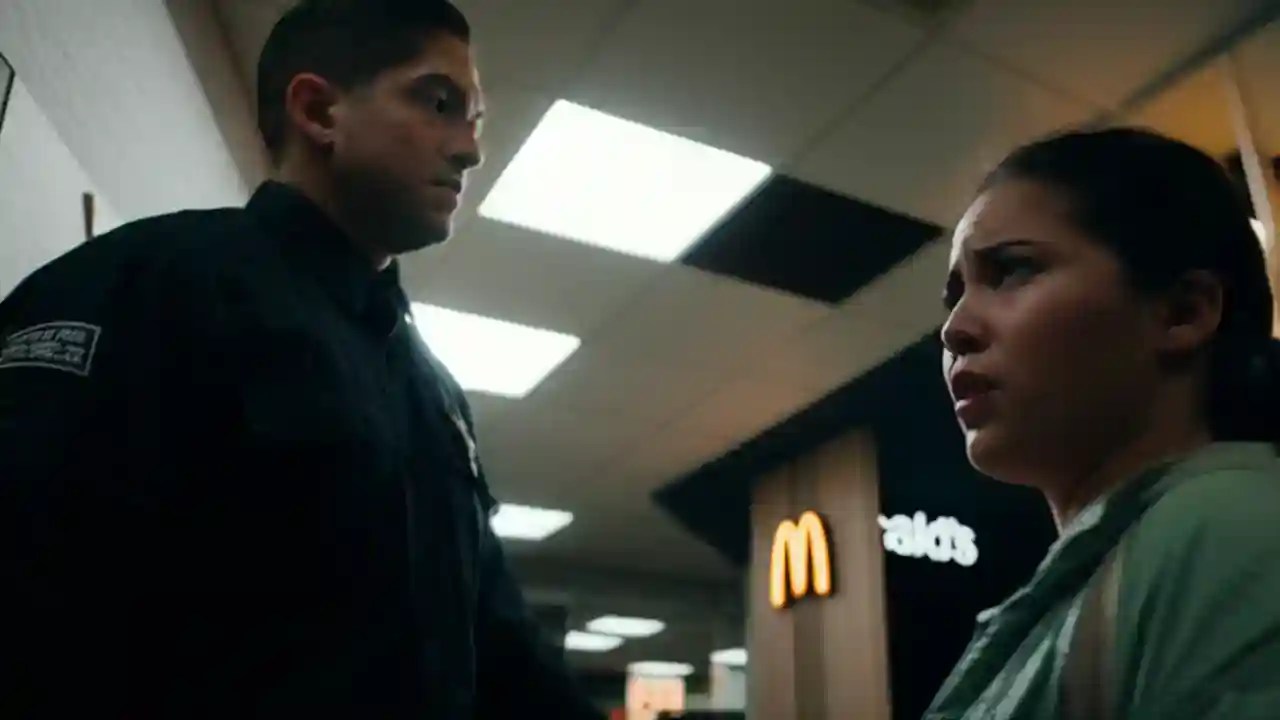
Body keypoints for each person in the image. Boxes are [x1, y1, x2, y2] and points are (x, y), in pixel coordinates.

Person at [1, 1, 602, 717]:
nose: (470, 150)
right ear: (318, 111)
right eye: (439, 103)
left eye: (475, 122)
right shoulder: (146, 284)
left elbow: (495, 643)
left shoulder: (434, 393)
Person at [928, 127, 1280, 720]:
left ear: (1182, 312)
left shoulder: (1228, 529)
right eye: (955, 294)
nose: (954, 329)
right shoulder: (1096, 582)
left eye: (1012, 271)